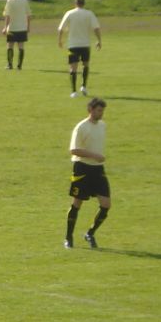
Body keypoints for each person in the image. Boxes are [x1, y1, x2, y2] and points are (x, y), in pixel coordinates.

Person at [65, 98, 111, 249]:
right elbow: (74, 150)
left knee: (106, 204)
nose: (101, 113)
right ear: (90, 110)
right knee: (77, 203)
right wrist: (94, 156)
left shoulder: (102, 126)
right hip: (82, 168)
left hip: (98, 169)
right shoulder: (81, 127)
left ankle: (90, 233)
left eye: (102, 110)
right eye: (99, 110)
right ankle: (68, 238)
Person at [58, 0, 102, 97]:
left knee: (73, 68)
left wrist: (60, 40)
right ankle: (83, 86)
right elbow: (96, 28)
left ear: (75, 3)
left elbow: (61, 29)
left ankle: (73, 91)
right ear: (84, 4)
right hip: (85, 44)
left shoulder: (69, 13)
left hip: (73, 45)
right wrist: (99, 41)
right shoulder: (89, 14)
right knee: (85, 65)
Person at [2, 0, 32, 70]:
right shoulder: (24, 0)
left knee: (10, 46)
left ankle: (10, 64)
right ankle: (19, 65)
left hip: (12, 27)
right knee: (21, 46)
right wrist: (28, 26)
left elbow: (7, 16)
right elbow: (29, 15)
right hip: (22, 27)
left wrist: (5, 27)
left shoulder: (10, 0)